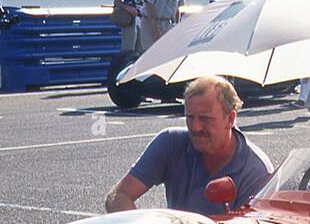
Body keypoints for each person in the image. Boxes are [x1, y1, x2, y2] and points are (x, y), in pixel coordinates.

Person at [105, 76, 273, 216]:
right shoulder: (170, 142)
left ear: (230, 119)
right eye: (190, 117)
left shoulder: (256, 170)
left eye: (205, 118)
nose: (195, 127)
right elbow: (117, 196)